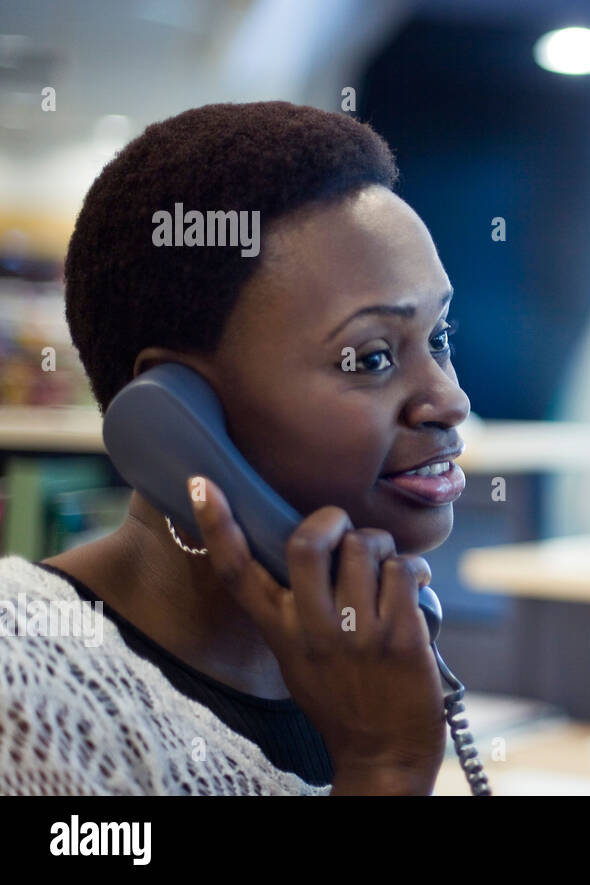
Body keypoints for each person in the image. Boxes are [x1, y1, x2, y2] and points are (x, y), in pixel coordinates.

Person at [0, 101, 469, 794]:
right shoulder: (28, 689)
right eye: (370, 357)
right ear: (175, 418)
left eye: (438, 339)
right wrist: (385, 768)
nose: (449, 401)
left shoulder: (368, 660)